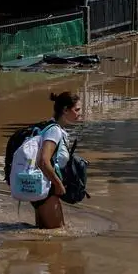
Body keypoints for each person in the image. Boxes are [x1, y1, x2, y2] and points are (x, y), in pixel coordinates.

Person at [32, 91, 82, 229]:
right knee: (59, 234)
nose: (80, 114)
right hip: (48, 190)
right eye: (77, 109)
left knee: (42, 234)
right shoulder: (54, 131)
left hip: (42, 188)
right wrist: (58, 184)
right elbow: (43, 161)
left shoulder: (50, 127)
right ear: (65, 110)